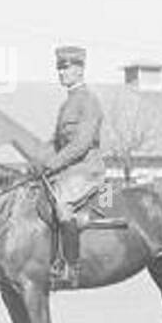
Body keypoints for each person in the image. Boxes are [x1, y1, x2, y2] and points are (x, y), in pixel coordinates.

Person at [30, 44, 104, 288]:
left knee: (62, 205)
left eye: (66, 68)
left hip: (87, 169)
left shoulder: (89, 102)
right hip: (70, 169)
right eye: (59, 68)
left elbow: (81, 144)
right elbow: (56, 141)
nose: (61, 73)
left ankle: (71, 267)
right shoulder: (67, 104)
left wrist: (52, 164)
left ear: (80, 70)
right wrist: (36, 161)